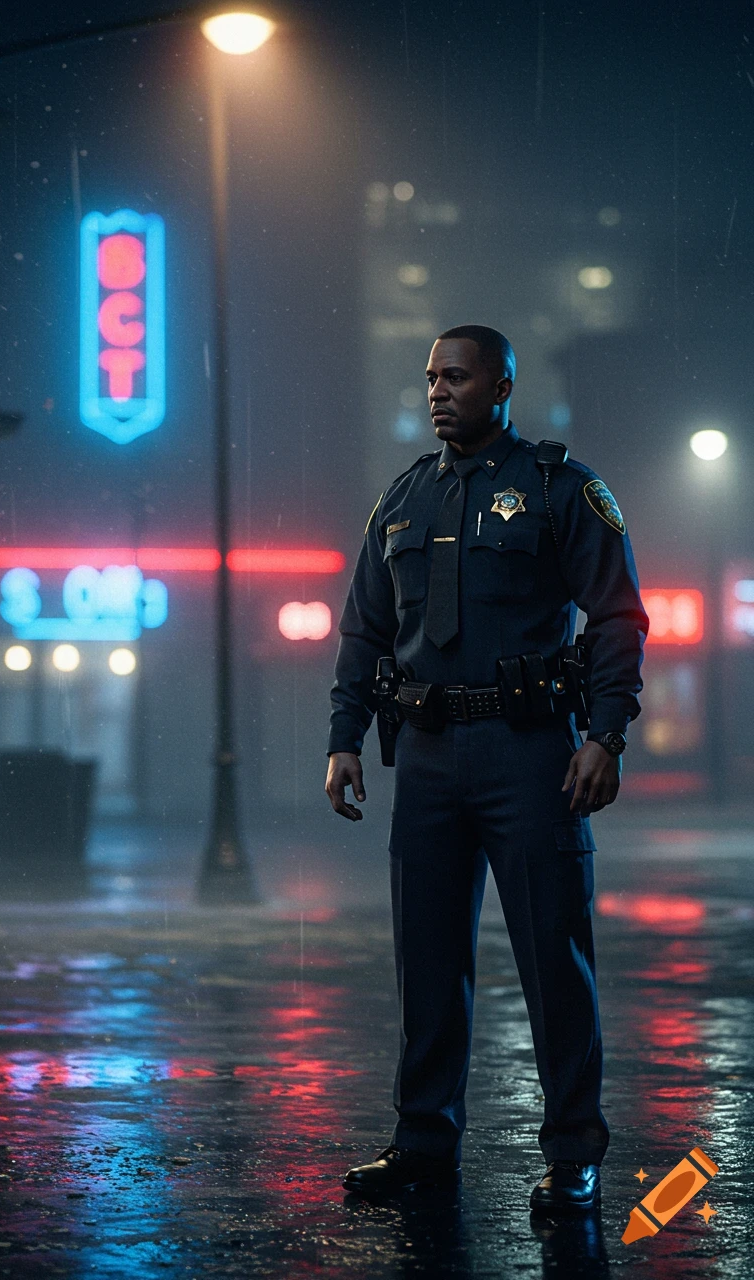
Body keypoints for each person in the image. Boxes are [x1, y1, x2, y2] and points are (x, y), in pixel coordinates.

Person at [324, 325, 648, 1211]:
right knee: (426, 962)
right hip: (425, 756)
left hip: (531, 752)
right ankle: (424, 1142)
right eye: (430, 378)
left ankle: (574, 1152)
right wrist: (343, 736)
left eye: (456, 378)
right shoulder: (402, 499)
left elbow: (617, 616)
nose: (437, 391)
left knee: (555, 959)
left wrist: (606, 735)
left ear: (501, 388)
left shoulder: (559, 489)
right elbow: (364, 630)